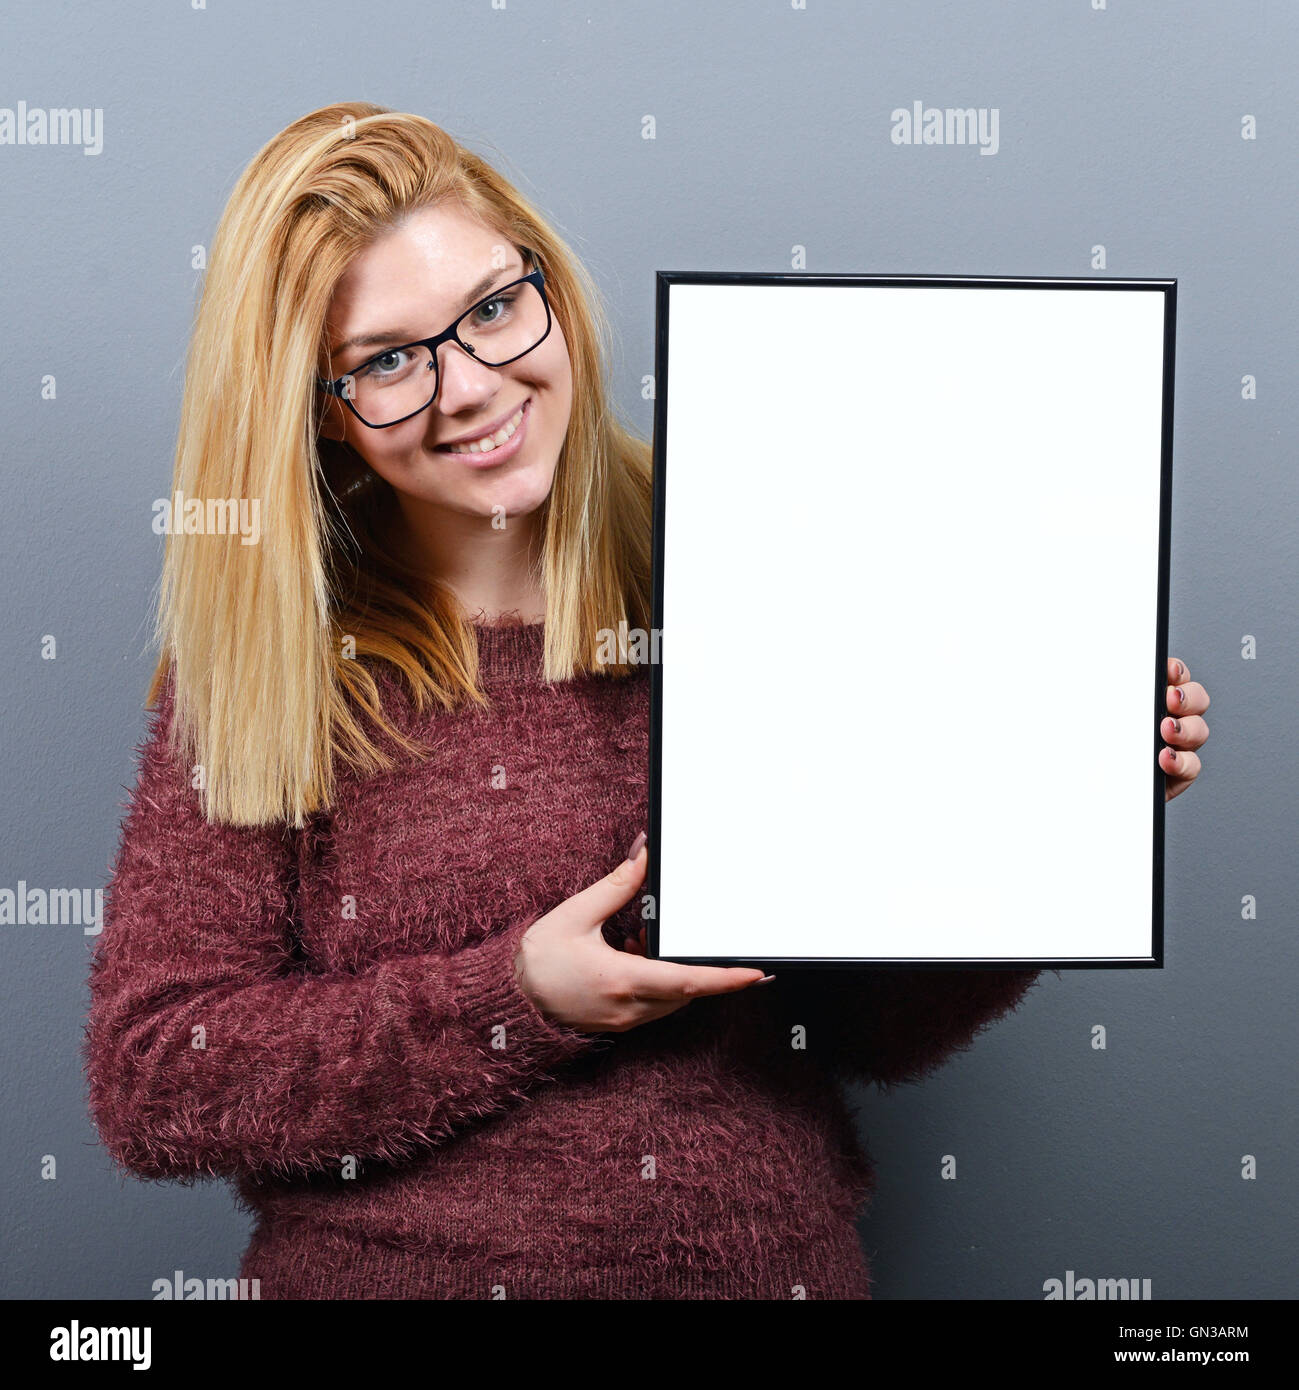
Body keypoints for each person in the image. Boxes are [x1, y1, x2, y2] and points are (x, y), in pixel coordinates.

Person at [83, 101, 1211, 1300]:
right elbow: (157, 1079)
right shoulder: (279, 666)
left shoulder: (769, 564)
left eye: (492, 308)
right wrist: (513, 996)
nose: (469, 386)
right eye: (390, 360)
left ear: (548, 286)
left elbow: (876, 1032)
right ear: (320, 409)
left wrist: (1054, 818)